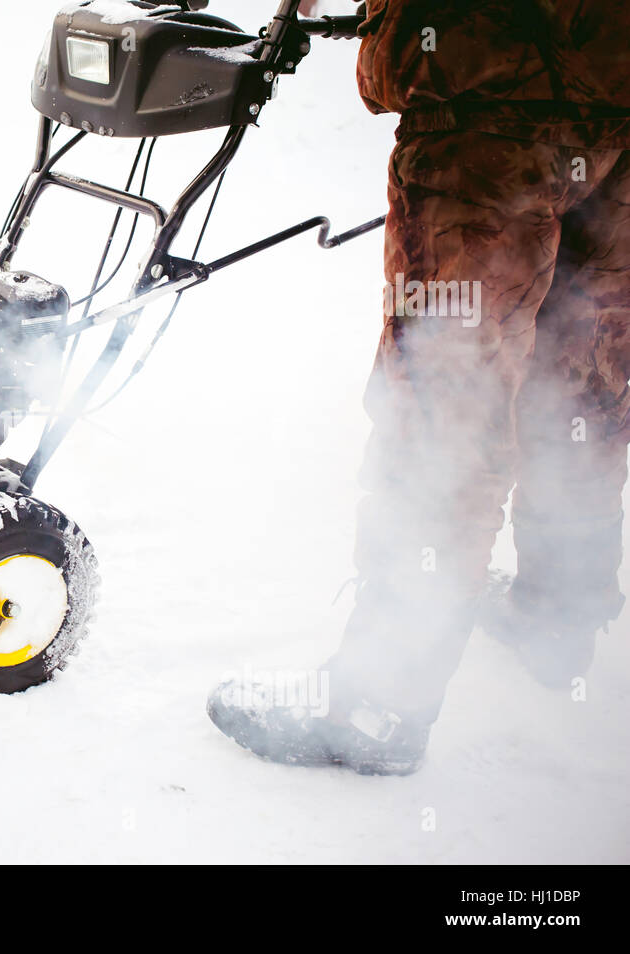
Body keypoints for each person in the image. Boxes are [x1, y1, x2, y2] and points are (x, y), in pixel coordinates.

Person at [207, 0, 630, 774]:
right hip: (616, 77)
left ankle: (376, 703)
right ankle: (557, 617)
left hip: (486, 80)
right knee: (586, 371)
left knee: (446, 394)